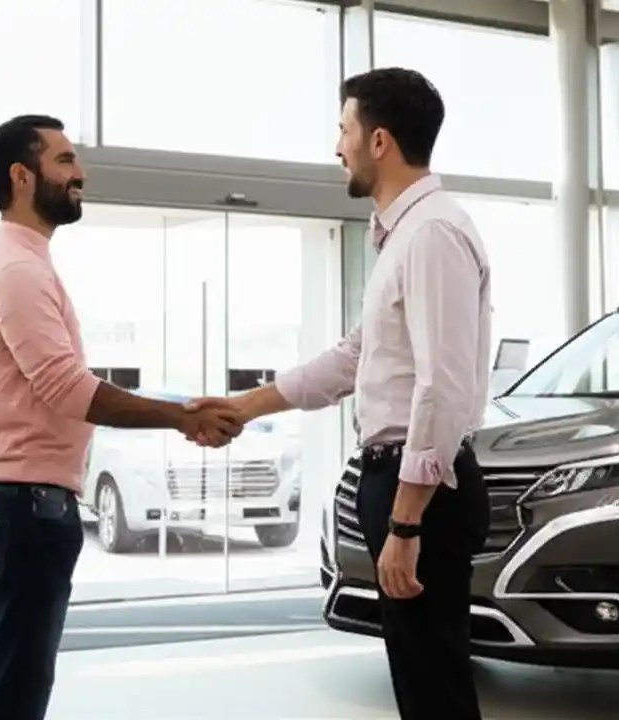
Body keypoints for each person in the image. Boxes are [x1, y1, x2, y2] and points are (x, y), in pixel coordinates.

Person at [190, 67, 493, 719]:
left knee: (434, 686)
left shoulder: (433, 232)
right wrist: (245, 407)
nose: (337, 147)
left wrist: (407, 521)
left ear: (379, 141)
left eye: (343, 129)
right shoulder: (401, 235)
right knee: (420, 682)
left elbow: (443, 385)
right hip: (403, 487)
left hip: (425, 499)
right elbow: (356, 356)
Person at [0, 114, 244, 720]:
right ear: (21, 176)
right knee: (14, 689)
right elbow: (67, 388)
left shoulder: (21, 260)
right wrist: (180, 417)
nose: (80, 172)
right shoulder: (16, 268)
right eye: (63, 160)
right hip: (23, 506)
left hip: (15, 504)